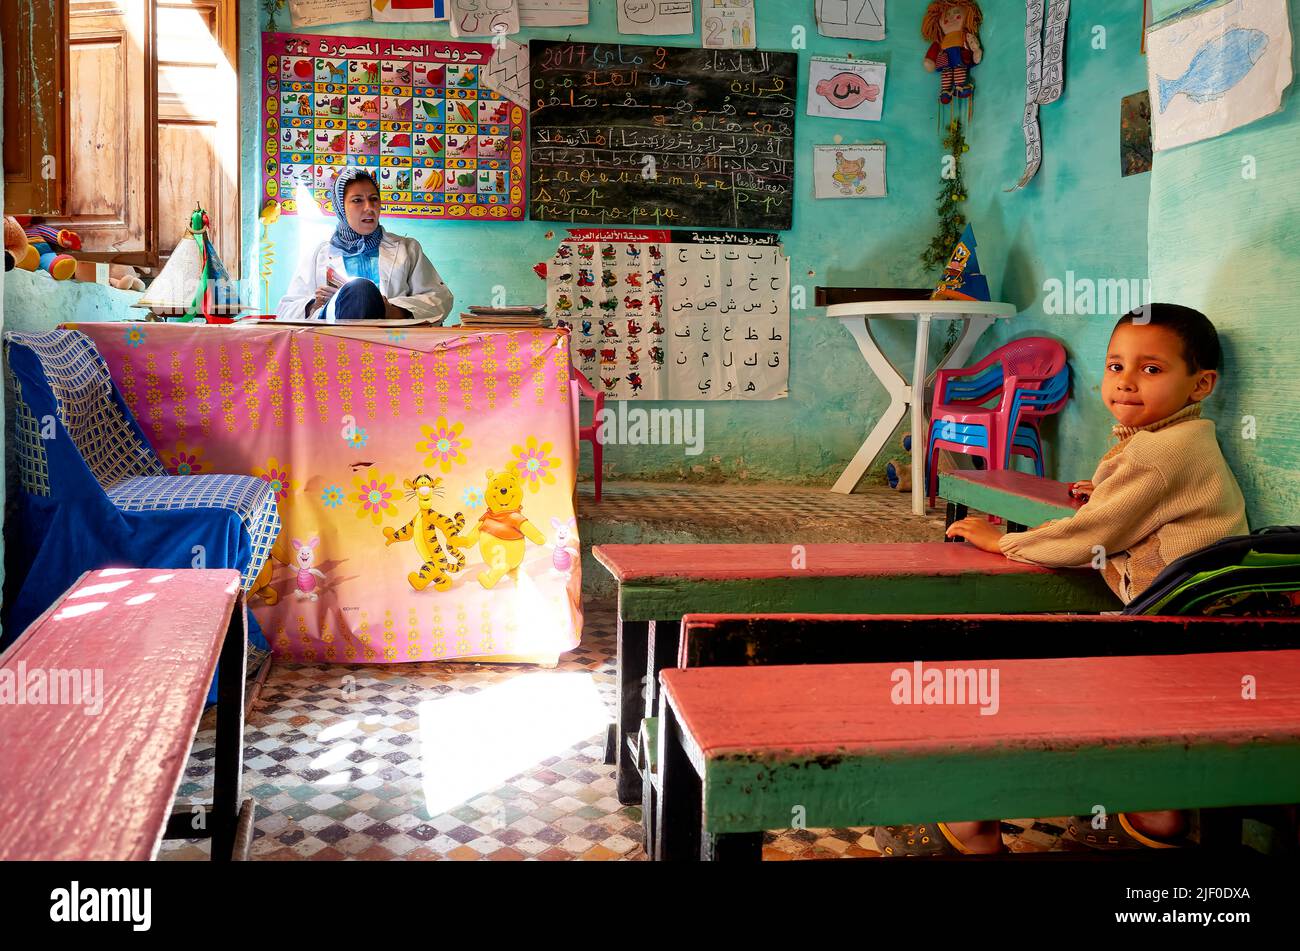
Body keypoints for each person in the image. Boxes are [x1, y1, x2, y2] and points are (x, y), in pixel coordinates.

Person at [877, 304, 1249, 856]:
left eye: (1151, 369)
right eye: (1115, 365)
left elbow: (1085, 538)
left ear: (1201, 384)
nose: (1125, 381)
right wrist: (1102, 491)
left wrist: (1001, 540)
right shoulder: (1180, 441)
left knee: (1007, 680)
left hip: (1175, 631)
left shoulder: (1158, 453)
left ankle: (972, 827)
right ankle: (1154, 817)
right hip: (1200, 623)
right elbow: (1134, 503)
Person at [278, 167, 453, 322]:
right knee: (357, 290)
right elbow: (285, 310)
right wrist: (314, 305)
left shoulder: (407, 249)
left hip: (393, 344)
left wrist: (391, 309)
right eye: (357, 200)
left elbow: (440, 299)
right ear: (340, 207)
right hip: (335, 344)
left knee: (361, 290)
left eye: (374, 198)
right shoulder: (319, 254)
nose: (369, 207)